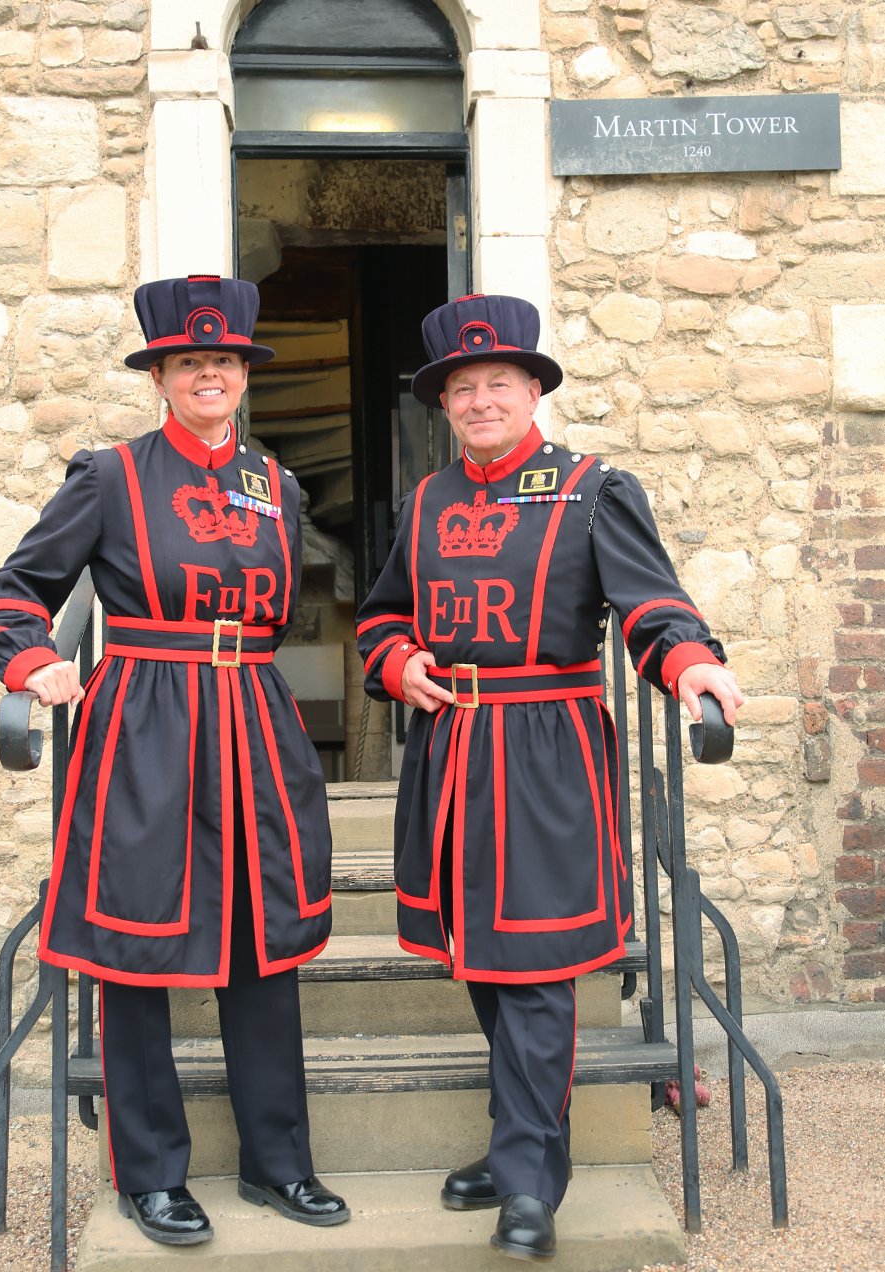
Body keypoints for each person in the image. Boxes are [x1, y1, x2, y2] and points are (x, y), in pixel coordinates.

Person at [355, 293, 742, 1261]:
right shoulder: (427, 501)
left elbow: (651, 604)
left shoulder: (594, 489)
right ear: (443, 406)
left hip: (549, 748)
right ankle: (519, 1137)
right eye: (462, 389)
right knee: (479, 961)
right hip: (449, 754)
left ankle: (529, 1183)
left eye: (499, 383)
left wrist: (691, 663)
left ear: (533, 390)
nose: (481, 400)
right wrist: (399, 662)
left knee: (534, 972)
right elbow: (381, 616)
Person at [0, 275, 350, 1246]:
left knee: (261, 952)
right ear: (163, 377)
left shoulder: (280, 483)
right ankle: (151, 1175)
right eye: (190, 363)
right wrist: (34, 662)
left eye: (222, 360)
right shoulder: (110, 476)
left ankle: (279, 1165)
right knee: (136, 952)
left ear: (242, 373)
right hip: (144, 725)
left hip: (257, 727)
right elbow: (21, 587)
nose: (208, 376)